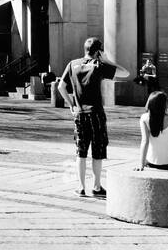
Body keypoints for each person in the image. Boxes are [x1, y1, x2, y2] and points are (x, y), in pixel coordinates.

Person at [55, 36, 131, 198]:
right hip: (96, 113)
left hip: (80, 114)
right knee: (98, 150)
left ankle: (81, 187)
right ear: (98, 52)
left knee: (80, 152)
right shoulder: (99, 65)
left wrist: (71, 104)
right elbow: (125, 73)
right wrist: (107, 60)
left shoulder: (72, 64)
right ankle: (96, 186)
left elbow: (61, 86)